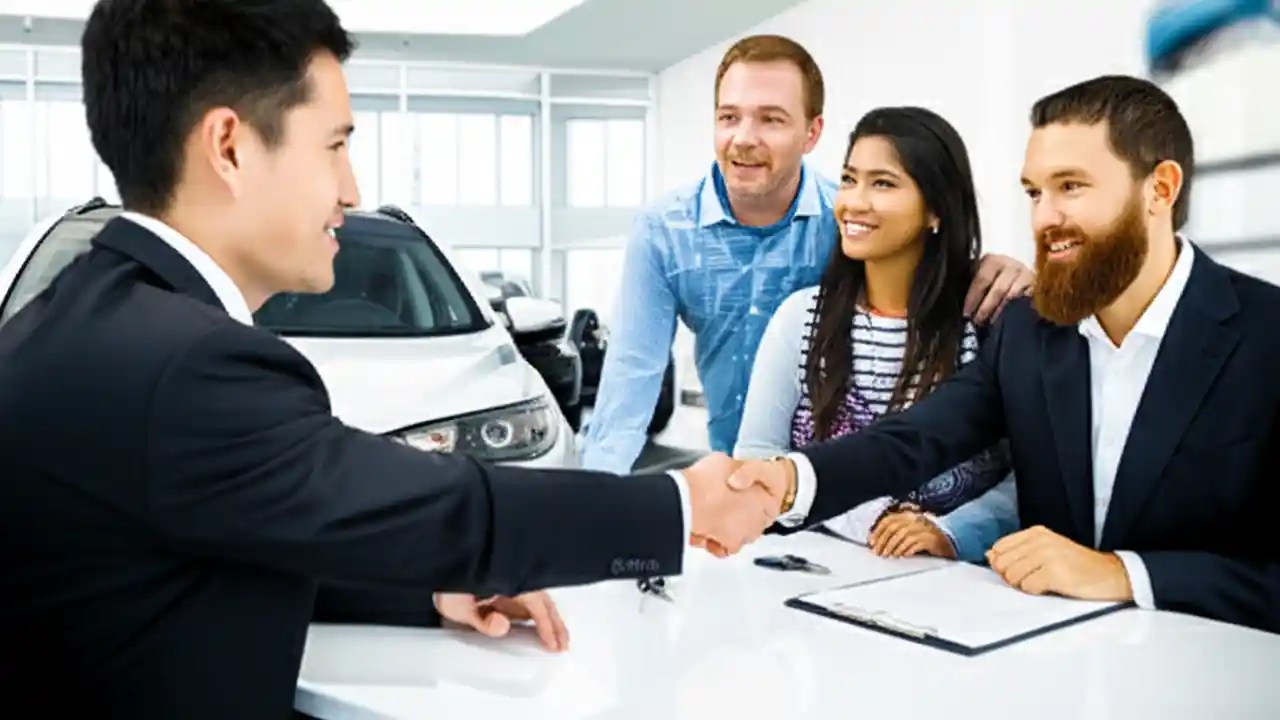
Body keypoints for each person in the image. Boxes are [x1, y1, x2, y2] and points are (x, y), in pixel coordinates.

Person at [0, 2, 773, 717]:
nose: (351, 189)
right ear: (229, 146)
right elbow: (448, 509)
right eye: (334, 146)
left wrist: (427, 594)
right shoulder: (187, 365)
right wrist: (680, 506)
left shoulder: (79, 309)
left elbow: (206, 546)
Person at [724, 74, 1280, 635]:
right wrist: (787, 481)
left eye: (1072, 187)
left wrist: (1123, 574)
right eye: (1035, 192)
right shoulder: (1030, 331)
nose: (1044, 218)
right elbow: (917, 439)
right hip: (1037, 661)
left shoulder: (1266, 335)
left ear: (1159, 189)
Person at [579, 34, 1035, 475]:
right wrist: (595, 511)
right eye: (729, 116)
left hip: (840, 484)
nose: (743, 138)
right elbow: (629, 383)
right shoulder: (664, 231)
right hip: (742, 476)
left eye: (771, 119)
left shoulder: (850, 225)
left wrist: (991, 272)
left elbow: (925, 268)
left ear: (812, 132)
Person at [733, 106, 1016, 563]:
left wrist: (950, 531)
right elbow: (756, 458)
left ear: (937, 209)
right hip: (820, 570)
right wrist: (872, 519)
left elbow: (1036, 475)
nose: (854, 202)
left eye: (883, 183)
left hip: (962, 585)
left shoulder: (989, 319)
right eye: (849, 179)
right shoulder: (800, 318)